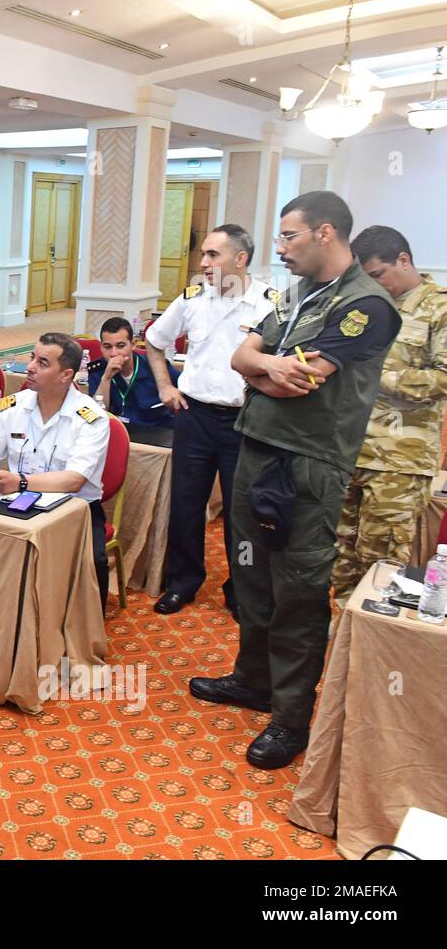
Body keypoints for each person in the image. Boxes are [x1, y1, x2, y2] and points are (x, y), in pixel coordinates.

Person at [191, 191, 400, 770]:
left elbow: (303, 379)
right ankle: (252, 679)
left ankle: (290, 718)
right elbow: (242, 357)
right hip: (258, 447)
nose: (278, 248)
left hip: (310, 462)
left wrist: (269, 367)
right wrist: (266, 366)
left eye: (288, 237)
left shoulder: (367, 304)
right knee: (253, 575)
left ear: (325, 233)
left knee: (299, 591)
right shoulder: (300, 294)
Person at [146, 224, 278, 616]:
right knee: (186, 505)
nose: (203, 263)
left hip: (246, 421)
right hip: (195, 416)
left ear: (240, 259)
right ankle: (182, 582)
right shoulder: (192, 299)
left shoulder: (269, 303)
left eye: (213, 255)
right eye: (203, 254)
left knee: (244, 514)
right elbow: (154, 342)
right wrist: (165, 388)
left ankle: (241, 591)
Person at [331, 226, 447, 604]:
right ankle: (343, 622)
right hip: (349, 446)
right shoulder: (368, 305)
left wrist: (380, 377)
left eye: (379, 275)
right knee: (342, 546)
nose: (376, 284)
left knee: (381, 552)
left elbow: (444, 378)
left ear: (404, 260)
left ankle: (370, 628)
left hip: (400, 455)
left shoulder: (439, 307)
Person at [0, 333, 111, 614]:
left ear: (65, 374)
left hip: (76, 511)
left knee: (94, 559)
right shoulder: (13, 405)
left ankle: (86, 626)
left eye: (42, 362)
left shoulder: (91, 417)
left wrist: (21, 482)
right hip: (16, 502)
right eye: (31, 358)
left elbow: (74, 479)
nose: (29, 367)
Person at [86, 317, 178, 428]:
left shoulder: (155, 366)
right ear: (101, 347)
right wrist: (106, 378)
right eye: (108, 347)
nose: (113, 353)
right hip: (116, 432)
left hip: (156, 431)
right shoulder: (97, 370)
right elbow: (96, 416)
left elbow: (187, 392)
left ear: (133, 344)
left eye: (120, 346)